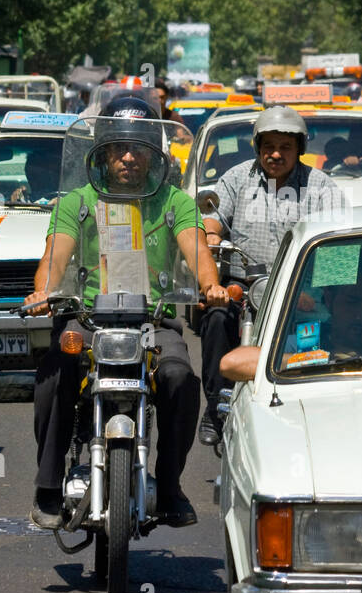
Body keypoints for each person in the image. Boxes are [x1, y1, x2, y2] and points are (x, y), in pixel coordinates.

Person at [22, 98, 229, 530]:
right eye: (119, 148)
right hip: (87, 318)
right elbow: (54, 257)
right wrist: (43, 291)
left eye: (138, 149)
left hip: (154, 319)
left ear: (155, 155)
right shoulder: (76, 202)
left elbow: (197, 251)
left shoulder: (175, 202)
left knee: (179, 377)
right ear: (102, 153)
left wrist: (210, 285)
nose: (129, 158)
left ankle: (169, 486)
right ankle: (47, 485)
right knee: (56, 369)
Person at [198, 107, 347, 444]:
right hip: (241, 283)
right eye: (268, 147)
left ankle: (307, 408)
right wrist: (211, 235)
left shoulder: (322, 187)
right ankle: (215, 406)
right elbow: (212, 220)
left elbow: (339, 255)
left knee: (317, 331)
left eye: (285, 147)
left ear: (299, 149)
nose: (276, 154)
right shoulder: (236, 178)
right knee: (216, 319)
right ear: (258, 147)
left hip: (298, 288)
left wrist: (314, 291)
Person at [219, 247, 362, 382]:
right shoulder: (310, 339)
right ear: (329, 299)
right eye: (352, 302)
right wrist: (324, 359)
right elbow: (232, 363)